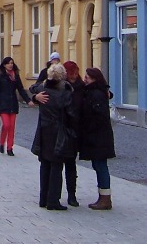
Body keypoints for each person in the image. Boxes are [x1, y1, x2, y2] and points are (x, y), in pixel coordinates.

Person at [29, 62, 76, 211]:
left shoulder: (43, 89)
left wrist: (36, 97)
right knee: (56, 166)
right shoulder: (65, 91)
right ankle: (53, 200)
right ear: (62, 76)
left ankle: (43, 199)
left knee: (45, 164)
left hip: (44, 130)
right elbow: (71, 113)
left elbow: (32, 87)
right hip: (58, 132)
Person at [78, 67, 116, 210]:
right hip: (98, 136)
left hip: (99, 136)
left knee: (100, 166)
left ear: (94, 78)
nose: (85, 78)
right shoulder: (96, 91)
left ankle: (105, 198)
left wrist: (88, 127)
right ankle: (103, 196)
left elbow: (98, 116)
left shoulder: (96, 94)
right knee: (98, 165)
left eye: (87, 77)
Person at [0, 57, 32, 156]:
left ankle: (10, 148)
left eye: (12, 63)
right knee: (6, 125)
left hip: (13, 103)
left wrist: (28, 100)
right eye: (8, 63)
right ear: (4, 65)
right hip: (3, 104)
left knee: (12, 127)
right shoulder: (0, 76)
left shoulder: (15, 75)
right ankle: (1, 142)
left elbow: (21, 89)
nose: (10, 65)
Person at [61, 61, 86, 206]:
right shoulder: (61, 86)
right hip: (62, 129)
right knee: (58, 164)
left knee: (71, 164)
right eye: (71, 73)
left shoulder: (82, 87)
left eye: (76, 73)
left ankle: (72, 194)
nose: (74, 76)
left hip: (76, 130)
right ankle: (54, 194)